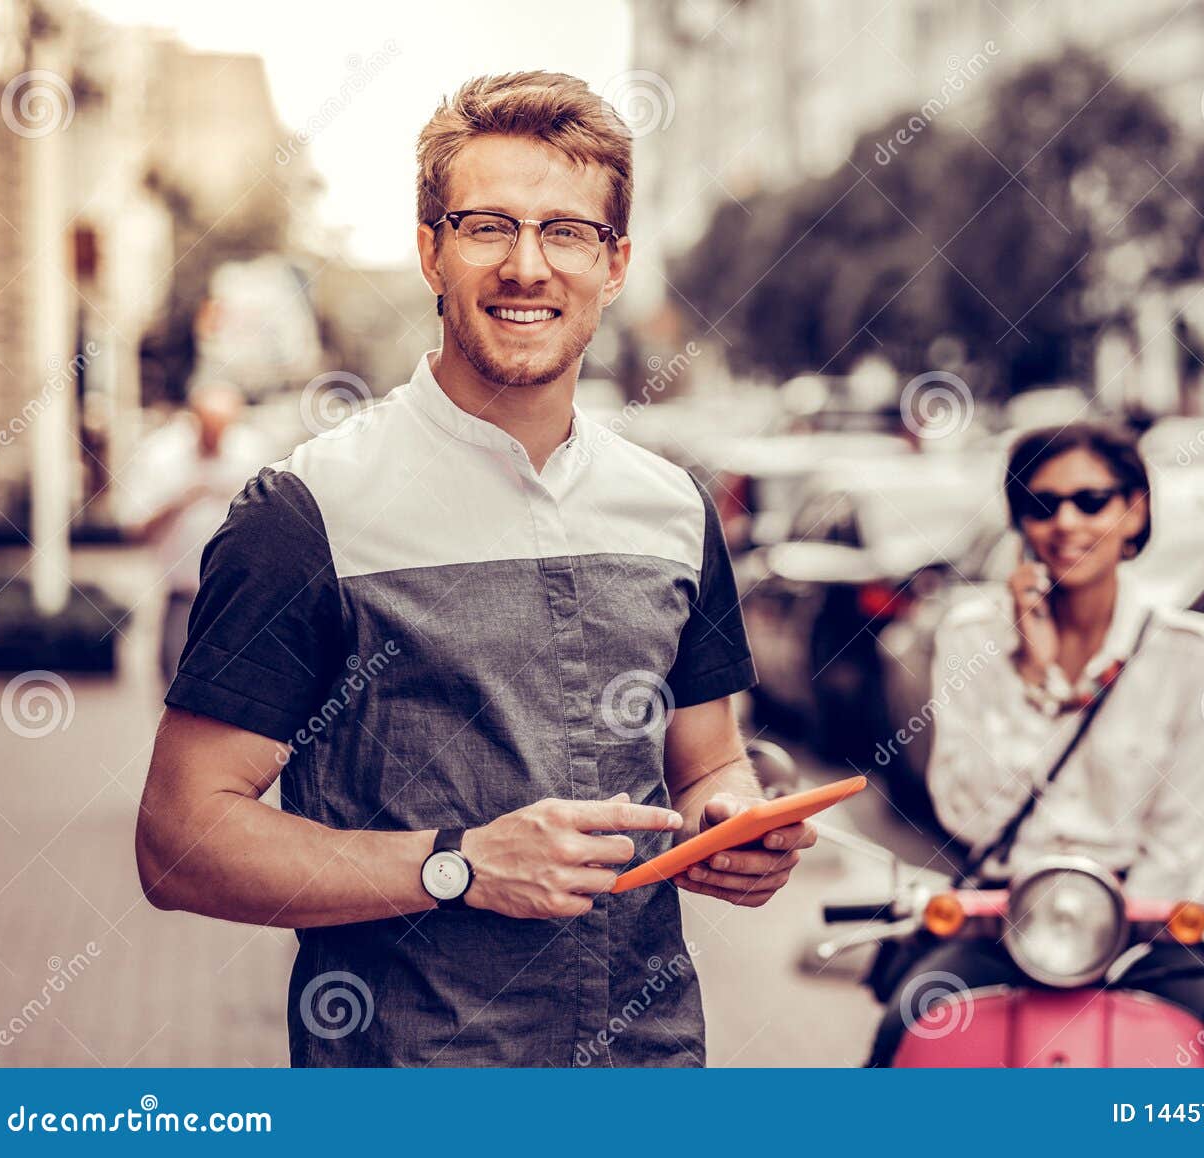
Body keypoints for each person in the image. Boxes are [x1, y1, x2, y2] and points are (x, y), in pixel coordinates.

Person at [134, 72, 813, 1068]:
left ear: (614, 263)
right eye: (487, 226)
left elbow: (708, 760)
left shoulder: (675, 508)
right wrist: (456, 867)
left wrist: (734, 817)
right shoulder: (305, 513)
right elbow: (180, 843)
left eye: (567, 232)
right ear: (430, 252)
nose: (527, 266)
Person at [868, 422, 1204, 1065]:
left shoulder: (1200, 652)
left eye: (1091, 501)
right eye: (1041, 505)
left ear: (1135, 511)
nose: (1066, 521)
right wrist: (1034, 678)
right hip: (1000, 914)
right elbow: (969, 813)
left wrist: (1097, 940)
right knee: (904, 1038)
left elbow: (1186, 843)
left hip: (1145, 926)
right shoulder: (972, 635)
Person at [115, 382, 272, 683]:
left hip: (240, 597)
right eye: (210, 430)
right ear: (194, 420)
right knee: (177, 686)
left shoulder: (253, 450)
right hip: (184, 597)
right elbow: (135, 527)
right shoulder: (161, 454)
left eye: (224, 430)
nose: (217, 440)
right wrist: (183, 499)